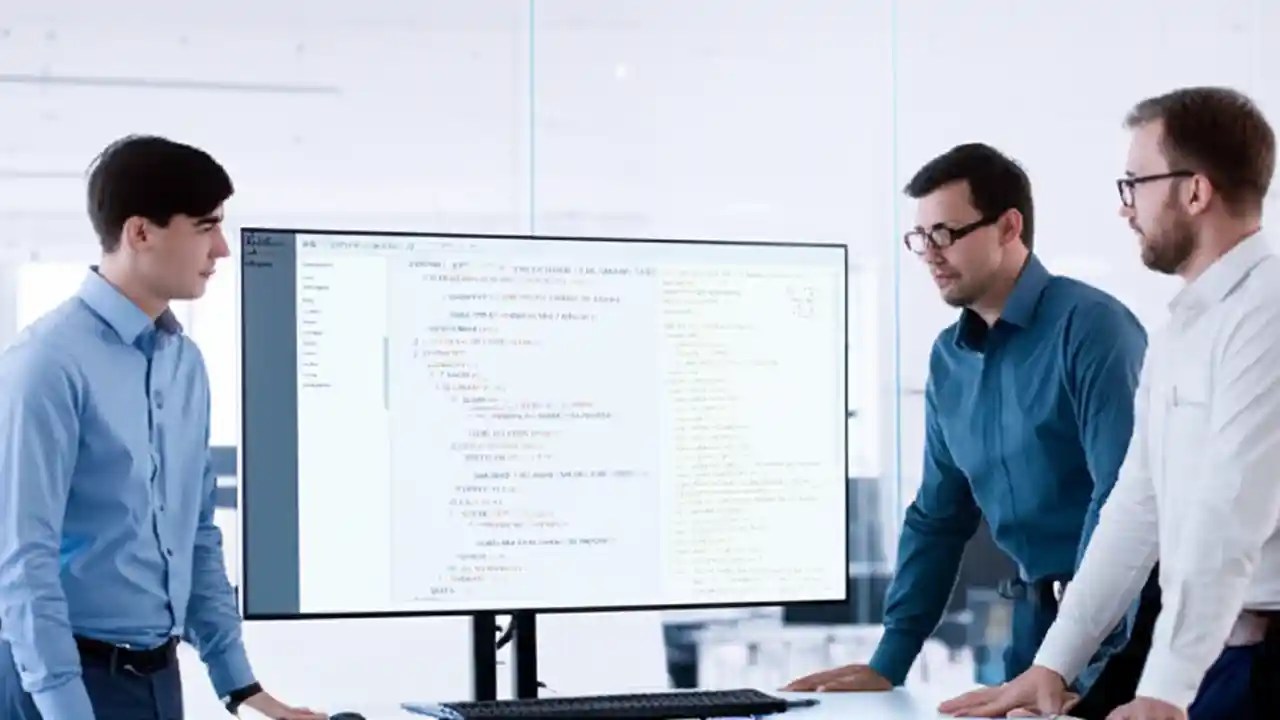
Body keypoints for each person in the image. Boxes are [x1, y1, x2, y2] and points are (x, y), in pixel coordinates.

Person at [938, 87, 1280, 720]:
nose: (1126, 210)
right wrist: (1053, 663)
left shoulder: (1267, 314)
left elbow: (1228, 516)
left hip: (1260, 667)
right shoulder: (1183, 327)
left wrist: (1165, 692)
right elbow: (1135, 505)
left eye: (1134, 184)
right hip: (1213, 661)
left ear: (1195, 191)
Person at [783, 143, 1157, 718]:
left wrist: (1078, 664)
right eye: (920, 238)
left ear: (1010, 226)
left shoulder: (1094, 329)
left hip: (1126, 637)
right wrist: (890, 659)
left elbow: (1122, 503)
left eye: (946, 234)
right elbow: (938, 517)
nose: (930, 254)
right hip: (1034, 630)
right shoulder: (947, 360)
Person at [0, 136, 324, 719]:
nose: (222, 248)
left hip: (155, 678)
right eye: (204, 226)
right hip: (56, 687)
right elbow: (24, 561)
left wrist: (242, 687)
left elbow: (195, 534)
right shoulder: (46, 364)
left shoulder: (184, 363)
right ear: (140, 233)